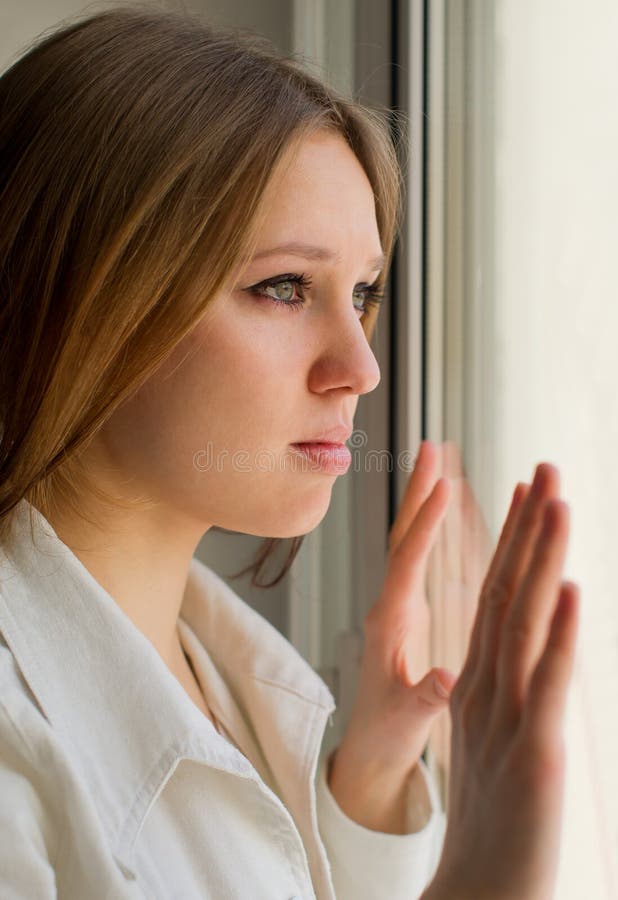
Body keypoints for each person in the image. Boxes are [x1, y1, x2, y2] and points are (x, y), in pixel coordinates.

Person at [0, 6, 579, 899]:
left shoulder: (228, 683)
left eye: (362, 294)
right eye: (282, 287)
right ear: (86, 292)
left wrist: (371, 786)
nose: (362, 368)